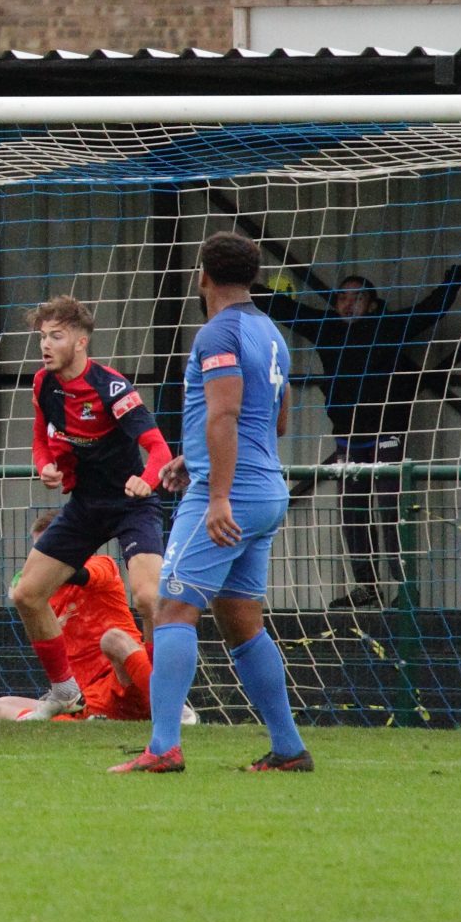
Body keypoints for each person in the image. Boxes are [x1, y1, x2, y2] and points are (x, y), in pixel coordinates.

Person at [112, 232, 310, 775]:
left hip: (230, 495)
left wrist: (217, 491)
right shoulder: (270, 332)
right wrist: (192, 459)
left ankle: (163, 747)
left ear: (202, 276)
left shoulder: (216, 333)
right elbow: (278, 418)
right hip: (267, 489)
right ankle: (290, 748)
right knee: (243, 622)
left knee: (172, 607)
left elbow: (224, 414)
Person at [255, 258, 461, 604]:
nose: (347, 304)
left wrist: (457, 275)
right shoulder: (326, 326)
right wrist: (240, 285)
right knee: (352, 512)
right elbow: (285, 307)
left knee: (392, 511)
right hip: (347, 437)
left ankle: (406, 589)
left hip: (387, 434)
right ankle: (367, 587)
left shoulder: (388, 325)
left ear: (372, 303)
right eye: (342, 298)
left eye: (355, 298)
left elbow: (429, 310)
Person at [9, 295, 174, 720]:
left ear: (81, 342)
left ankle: (166, 692)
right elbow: (41, 438)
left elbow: (157, 448)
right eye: (42, 336)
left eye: (56, 336)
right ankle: (65, 692)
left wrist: (147, 478)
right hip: (85, 506)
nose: (45, 345)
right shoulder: (44, 384)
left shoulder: (113, 388)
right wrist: (45, 465)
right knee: (27, 595)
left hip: (130, 505)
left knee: (149, 597)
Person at [0, 528, 153, 723]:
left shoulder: (102, 565)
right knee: (0, 706)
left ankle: (172, 707)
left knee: (113, 639)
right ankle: (82, 725)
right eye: (40, 549)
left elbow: (79, 574)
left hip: (127, 682)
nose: (42, 555)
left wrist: (39, 574)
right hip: (87, 698)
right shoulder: (39, 598)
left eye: (50, 547)